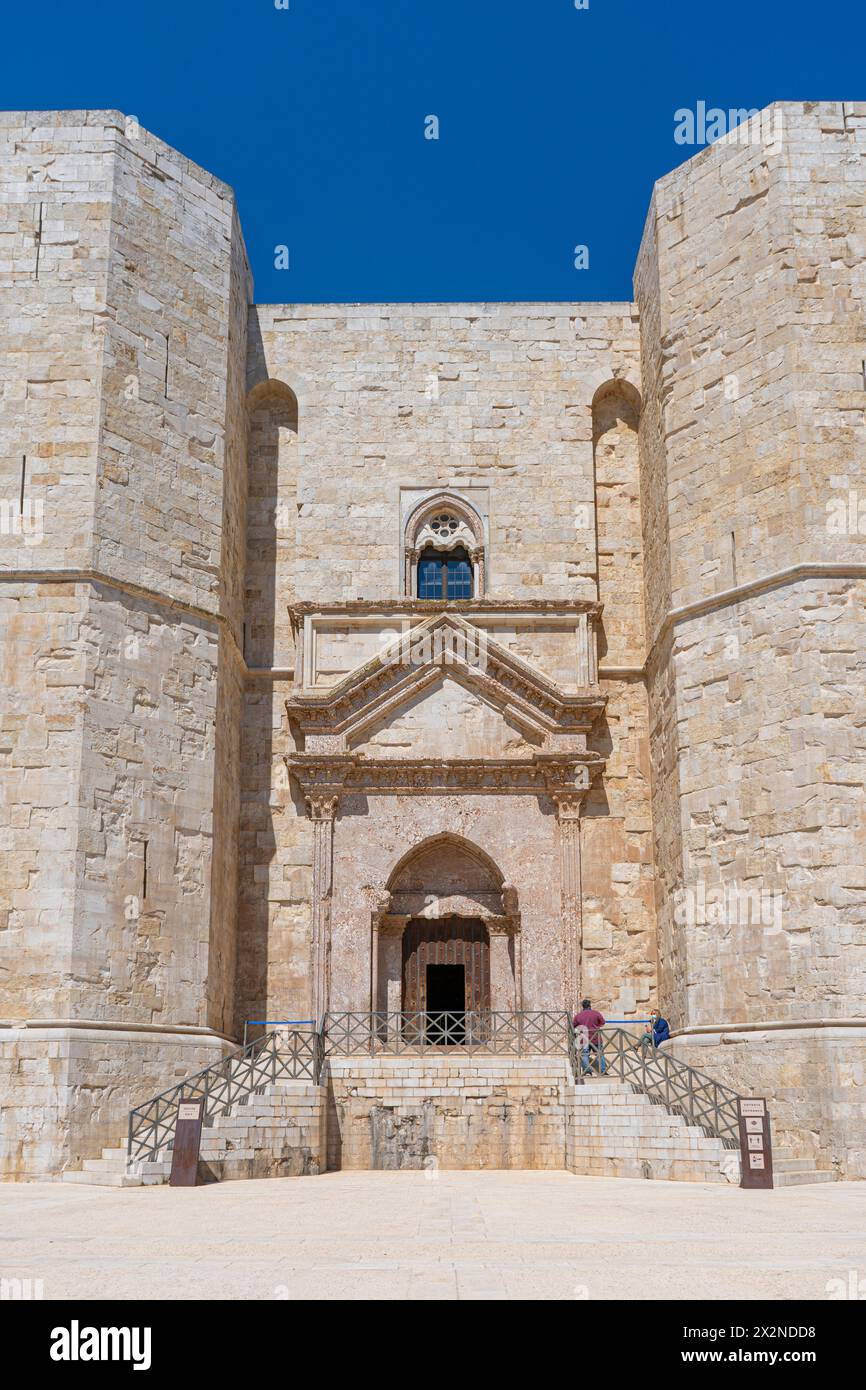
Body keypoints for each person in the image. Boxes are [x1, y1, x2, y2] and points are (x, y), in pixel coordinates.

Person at [572, 998, 606, 1075]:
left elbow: (573, 1025)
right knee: (600, 1054)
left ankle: (587, 1071)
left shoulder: (578, 1016)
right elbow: (603, 1022)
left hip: (584, 1039)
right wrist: (596, 1025)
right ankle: (603, 1070)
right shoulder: (596, 1013)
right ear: (590, 1006)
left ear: (582, 1006)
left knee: (585, 1055)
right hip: (596, 1037)